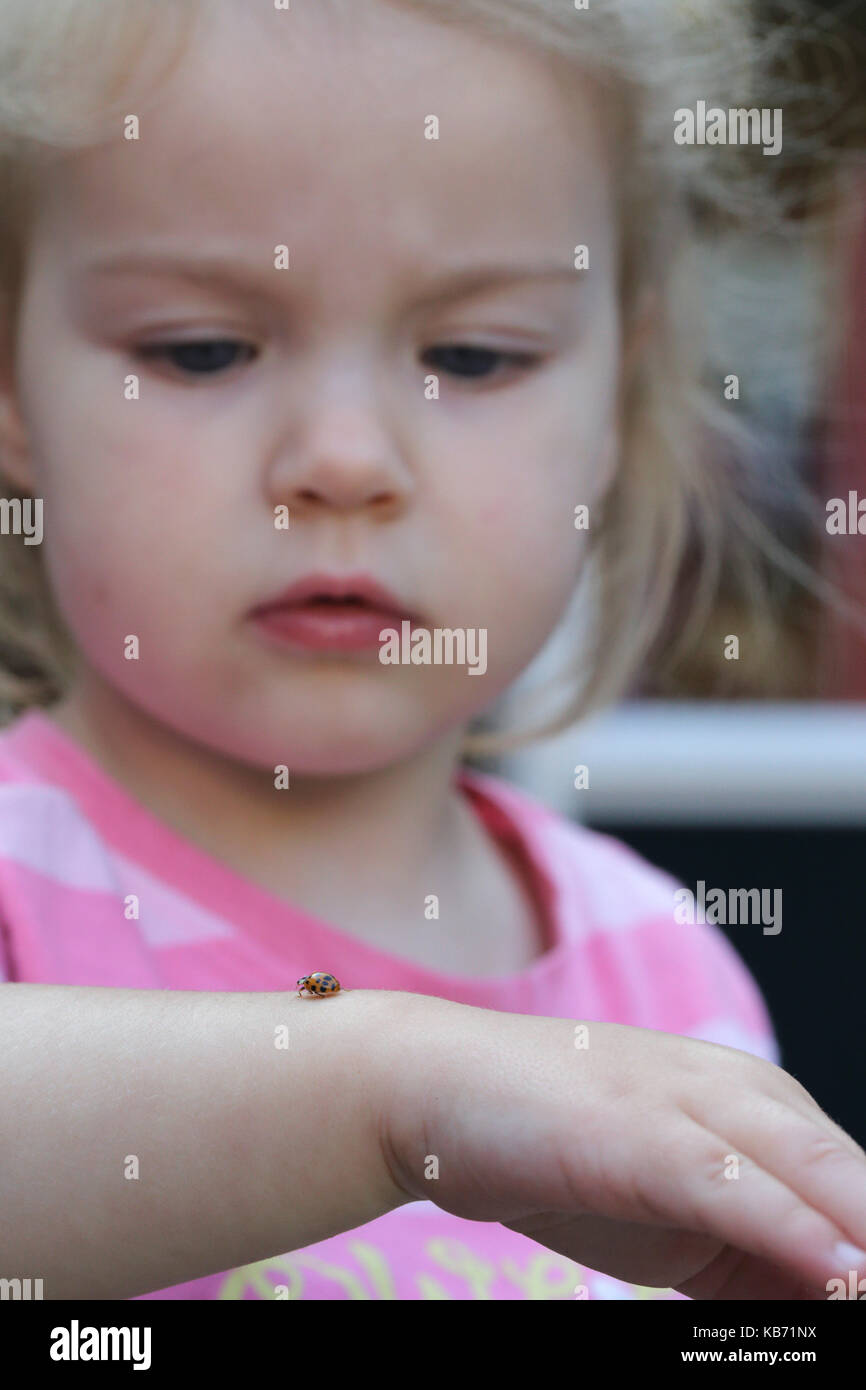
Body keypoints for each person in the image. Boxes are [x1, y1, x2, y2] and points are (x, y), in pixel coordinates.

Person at [0, 0, 863, 1301]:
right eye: (200, 348)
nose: (344, 458)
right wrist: (387, 1089)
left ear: (616, 401)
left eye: (473, 355)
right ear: (10, 392)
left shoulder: (661, 963)